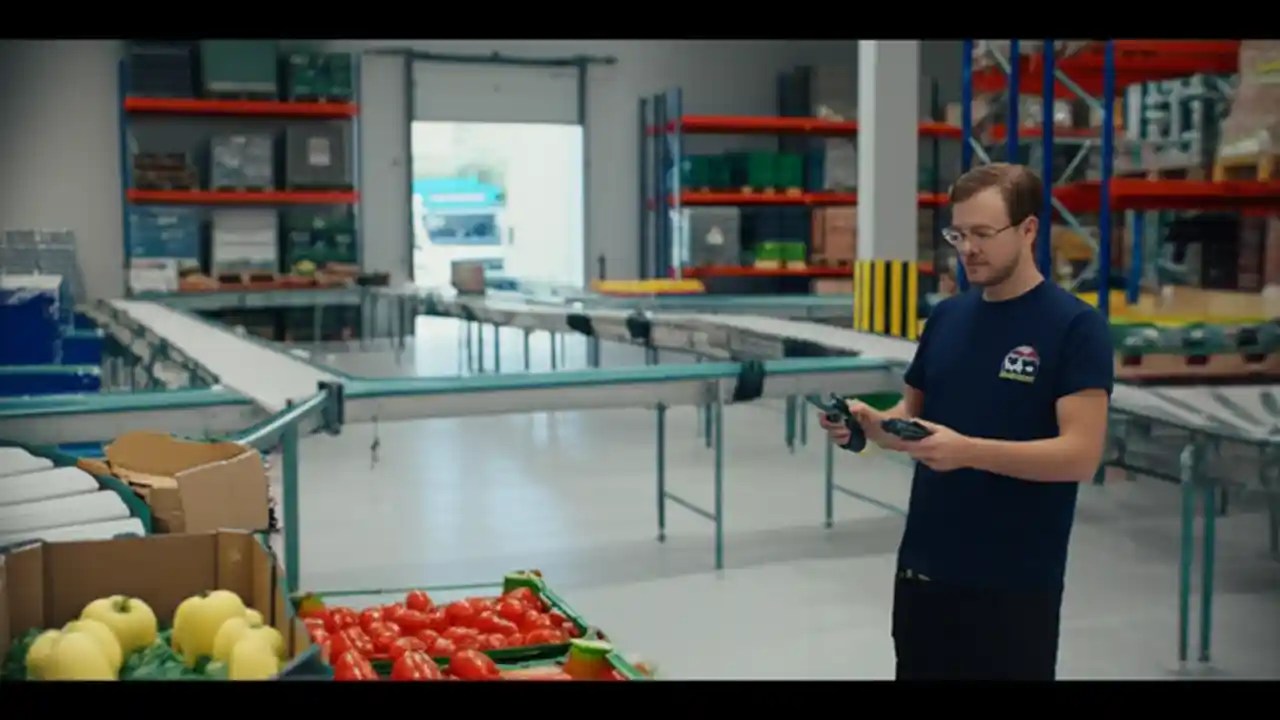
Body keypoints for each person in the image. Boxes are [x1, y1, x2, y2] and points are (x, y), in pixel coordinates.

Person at [820, 162, 1114, 681]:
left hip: (1012, 590)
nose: (968, 248)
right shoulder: (947, 317)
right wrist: (867, 424)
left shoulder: (1075, 327)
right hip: (924, 575)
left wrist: (969, 451)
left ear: (1028, 229)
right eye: (959, 234)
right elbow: (913, 420)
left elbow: (1080, 455)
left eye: (983, 234)